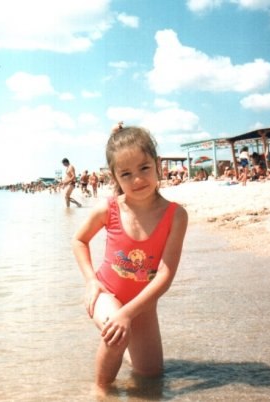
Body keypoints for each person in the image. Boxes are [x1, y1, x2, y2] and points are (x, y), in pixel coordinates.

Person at [72, 124, 188, 388]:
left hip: (143, 304)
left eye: (144, 168)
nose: (137, 180)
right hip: (106, 294)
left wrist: (128, 314)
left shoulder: (175, 216)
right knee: (117, 336)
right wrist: (91, 281)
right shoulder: (109, 209)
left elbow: (166, 274)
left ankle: (124, 350)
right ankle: (101, 392)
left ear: (158, 164)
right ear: (114, 177)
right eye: (126, 174)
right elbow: (79, 240)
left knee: (151, 375)